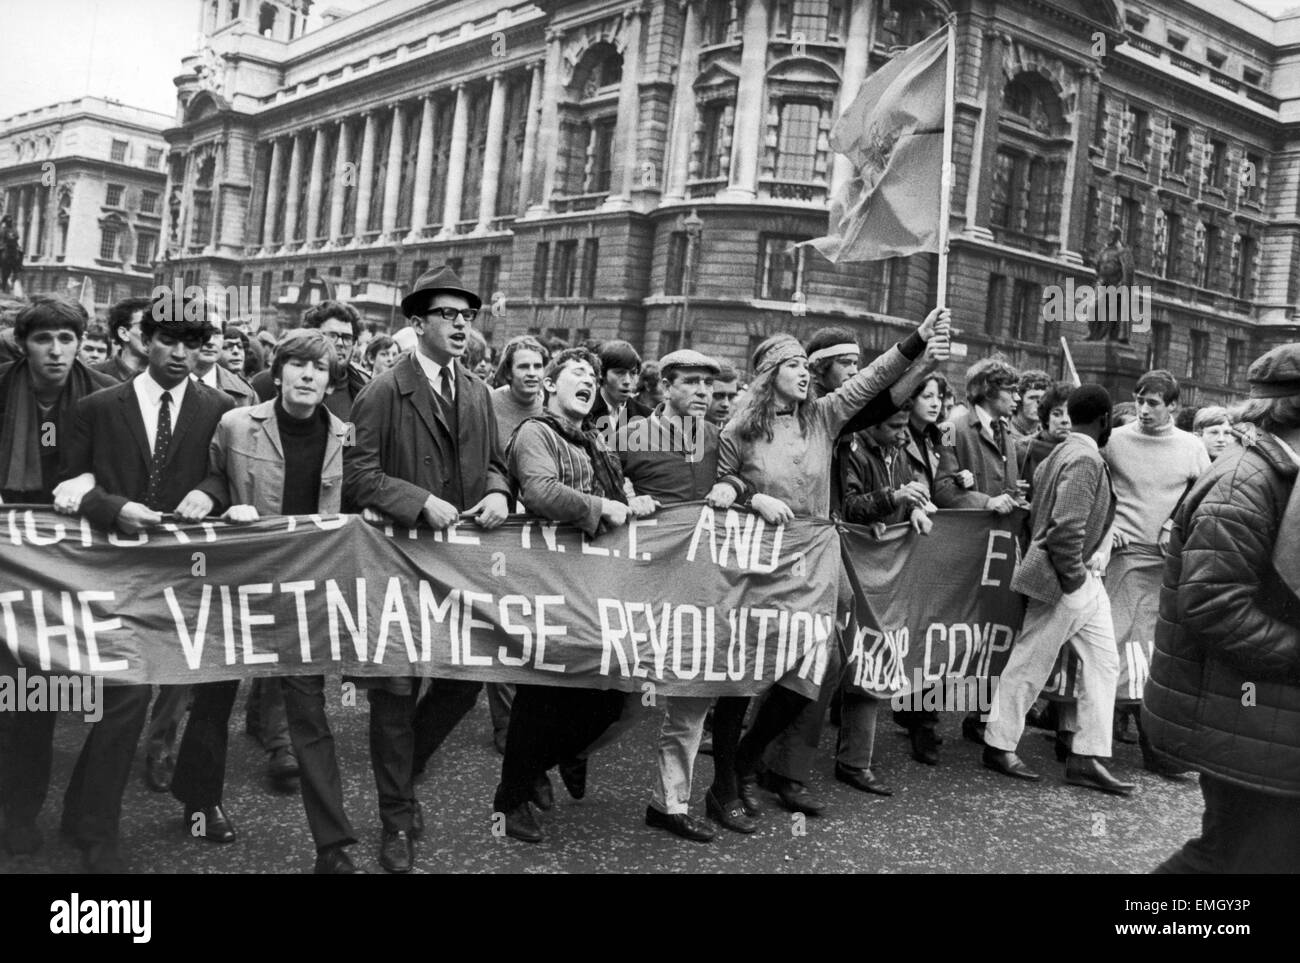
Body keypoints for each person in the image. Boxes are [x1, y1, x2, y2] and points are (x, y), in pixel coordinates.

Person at [705, 307, 948, 819]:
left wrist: (917, 340)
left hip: (814, 565)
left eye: (804, 365)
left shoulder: (823, 416)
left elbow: (876, 381)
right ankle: (723, 785)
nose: (802, 373)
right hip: (758, 564)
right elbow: (721, 490)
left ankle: (749, 760)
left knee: (811, 670)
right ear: (771, 375)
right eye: (791, 365)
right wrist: (750, 497)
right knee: (741, 678)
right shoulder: (737, 431)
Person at [51, 293, 231, 871]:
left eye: (192, 345)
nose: (180, 355)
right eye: (168, 342)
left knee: (151, 698)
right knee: (125, 699)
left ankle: (84, 813)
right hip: (113, 570)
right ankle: (98, 837)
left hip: (185, 577)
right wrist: (113, 507)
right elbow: (67, 482)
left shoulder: (219, 409)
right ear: (142, 341)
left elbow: (229, 474)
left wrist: (214, 490)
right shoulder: (100, 406)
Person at [172, 329, 362, 873]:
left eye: (319, 368)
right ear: (277, 373)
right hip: (241, 581)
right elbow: (214, 475)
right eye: (298, 364)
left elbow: (353, 497)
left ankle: (334, 846)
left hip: (303, 587)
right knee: (214, 697)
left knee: (310, 713)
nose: (308, 375)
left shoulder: (343, 435)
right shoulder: (237, 422)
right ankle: (201, 801)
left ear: (330, 380)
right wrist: (212, 497)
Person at [344, 264, 511, 873]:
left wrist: (498, 493)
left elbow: (496, 463)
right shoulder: (384, 390)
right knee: (392, 691)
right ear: (417, 324)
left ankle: (405, 769)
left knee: (464, 681)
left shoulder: (476, 392)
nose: (461, 324)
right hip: (393, 564)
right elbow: (358, 478)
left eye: (467, 316)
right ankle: (396, 818)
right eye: (448, 315)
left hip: (458, 569)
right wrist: (418, 501)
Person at [1145, 344, 1300, 873]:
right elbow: (1214, 606)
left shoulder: (1274, 471)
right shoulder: (1245, 481)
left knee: (1242, 856)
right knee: (1233, 858)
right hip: (1244, 714)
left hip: (1257, 717)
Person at [493, 347, 641, 843]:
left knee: (604, 704)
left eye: (594, 377)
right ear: (551, 385)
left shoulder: (594, 442)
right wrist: (602, 506)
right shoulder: (536, 432)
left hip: (593, 587)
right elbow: (538, 491)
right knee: (540, 695)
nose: (589, 381)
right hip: (548, 583)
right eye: (577, 373)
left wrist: (628, 502)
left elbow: (616, 504)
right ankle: (510, 802)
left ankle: (541, 763)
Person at [983, 384, 1136, 797]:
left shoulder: (1061, 452)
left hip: (1071, 578)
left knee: (1104, 664)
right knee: (1030, 663)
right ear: (1104, 420)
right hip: (1067, 579)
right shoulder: (1085, 458)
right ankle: (999, 746)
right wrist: (1075, 578)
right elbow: (1065, 529)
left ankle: (1087, 756)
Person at [611, 349, 731, 841]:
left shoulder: (715, 437)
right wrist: (624, 495)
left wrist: (738, 486)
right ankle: (569, 752)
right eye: (694, 382)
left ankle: (670, 803)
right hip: (641, 583)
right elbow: (600, 479)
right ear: (665, 386)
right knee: (617, 694)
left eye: (710, 383)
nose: (705, 391)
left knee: (692, 693)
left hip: (699, 583)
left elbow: (738, 479)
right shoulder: (628, 436)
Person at [1103, 369, 1209, 773]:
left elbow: (1201, 494)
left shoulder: (1192, 446)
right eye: (1139, 400)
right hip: (1122, 556)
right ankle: (1086, 736)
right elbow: (1099, 486)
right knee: (1111, 643)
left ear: (1174, 408)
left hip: (1164, 561)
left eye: (1153, 403)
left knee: (1150, 650)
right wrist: (1106, 528)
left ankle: (1155, 745)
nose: (1143, 410)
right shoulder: (1115, 440)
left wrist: (1173, 523)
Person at [0, 297, 116, 506]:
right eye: (43, 339)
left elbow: (123, 465)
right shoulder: (3, 384)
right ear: (20, 342)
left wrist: (90, 478)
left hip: (77, 514)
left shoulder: (109, 393)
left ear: (80, 342)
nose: (55, 351)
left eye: (65, 339)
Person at [252, 300, 370, 419]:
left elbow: (354, 436)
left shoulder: (363, 389)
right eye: (332, 335)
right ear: (311, 336)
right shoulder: (269, 382)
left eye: (347, 338)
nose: (340, 343)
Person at [1016, 380, 1074, 497]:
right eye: (1057, 414)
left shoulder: (1080, 451)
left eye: (1070, 414)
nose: (1065, 420)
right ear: (1047, 418)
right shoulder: (1023, 449)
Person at [491, 335, 550, 444]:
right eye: (523, 367)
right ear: (508, 372)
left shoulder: (549, 406)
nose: (532, 373)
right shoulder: (489, 403)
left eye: (537, 366)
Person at [588, 339, 652, 428]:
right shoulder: (585, 410)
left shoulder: (647, 417)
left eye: (633, 373)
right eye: (619, 373)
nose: (627, 381)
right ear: (602, 373)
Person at [193, 324, 257, 407]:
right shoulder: (172, 384)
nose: (210, 341)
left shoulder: (245, 393)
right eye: (202, 332)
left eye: (217, 333)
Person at [94, 296, 154, 383]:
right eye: (146, 326)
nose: (154, 334)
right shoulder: (92, 376)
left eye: (157, 328)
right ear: (123, 333)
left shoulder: (169, 379)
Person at [1007, 369, 1050, 446]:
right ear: (1019, 399)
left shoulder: (1048, 435)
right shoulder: (1001, 432)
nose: (1040, 403)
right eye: (1032, 398)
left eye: (1043, 398)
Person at [707, 360, 741, 427]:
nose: (726, 404)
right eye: (718, 396)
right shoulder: (688, 427)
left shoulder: (733, 429)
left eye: (731, 397)